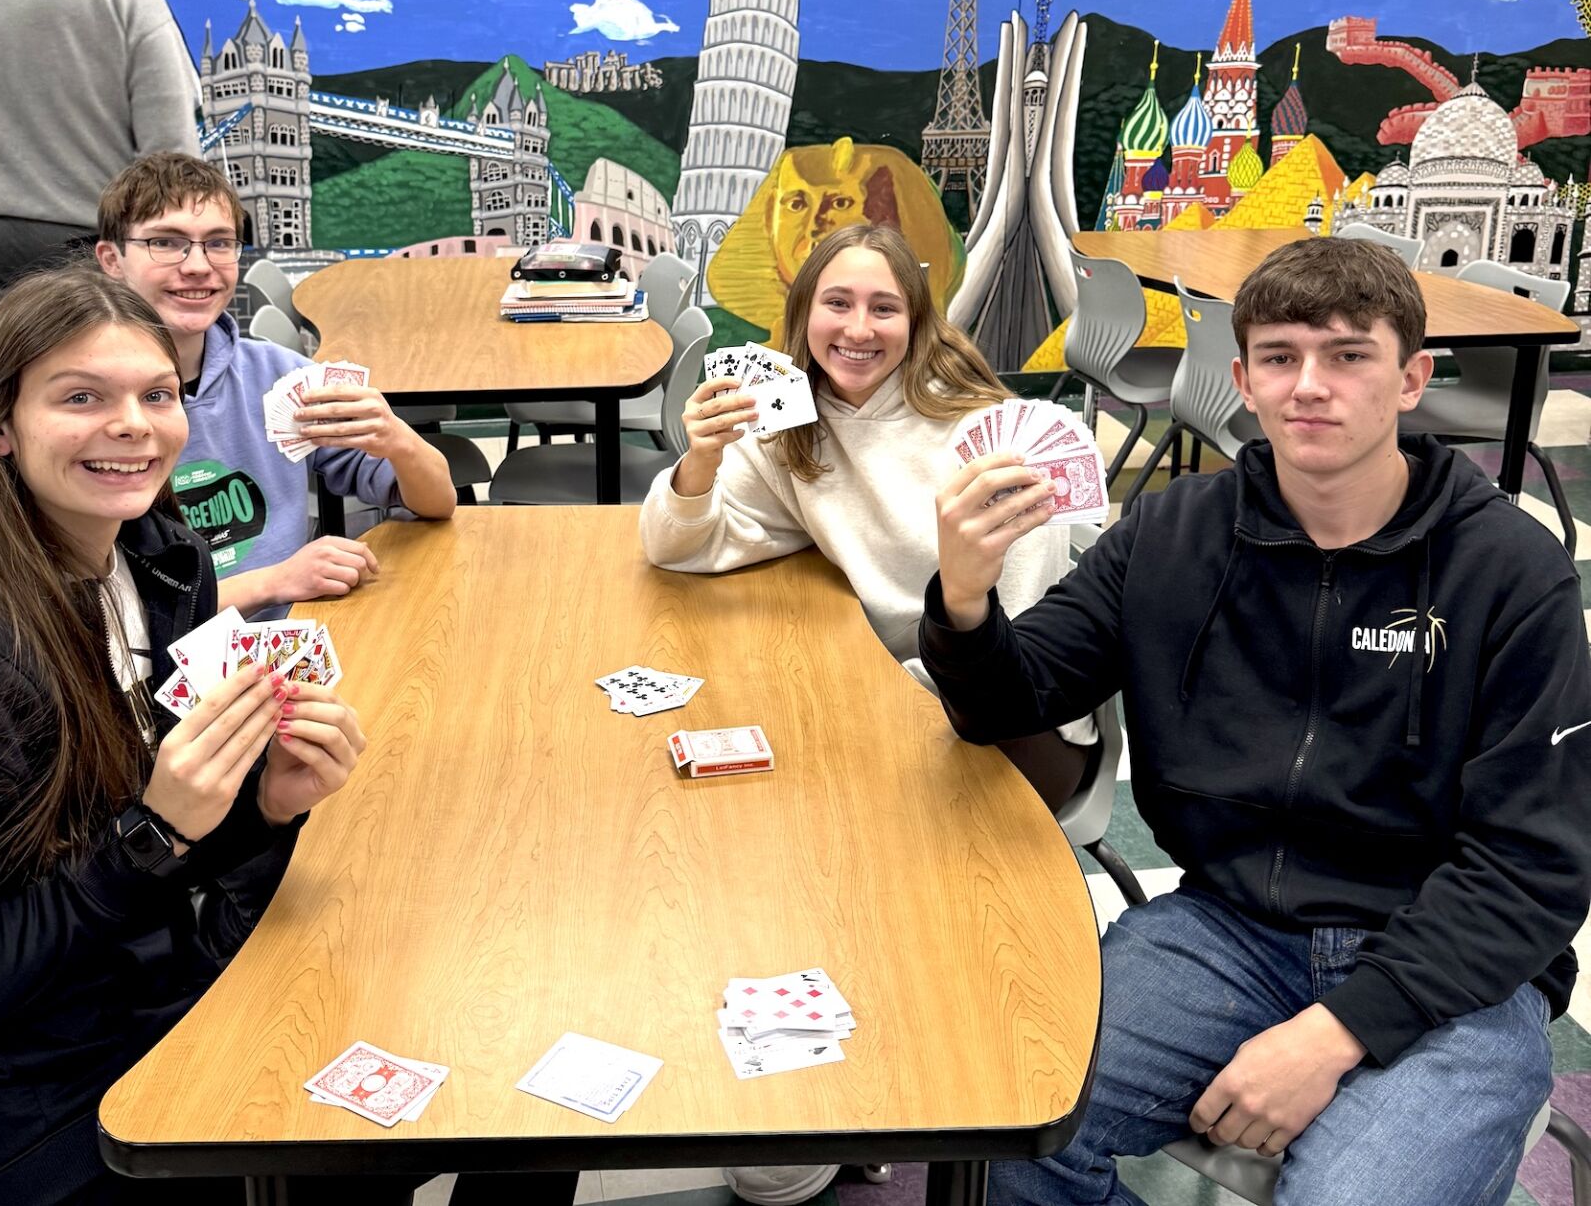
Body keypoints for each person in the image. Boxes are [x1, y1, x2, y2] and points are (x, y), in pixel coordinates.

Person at [921, 236, 1591, 1204]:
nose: (1308, 386)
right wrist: (966, 599)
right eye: (1279, 358)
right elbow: (1011, 703)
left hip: (1452, 975)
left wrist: (1332, 1035)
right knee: (995, 1117)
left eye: (1346, 355)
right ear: (1241, 379)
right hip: (1226, 928)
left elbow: (1532, 867)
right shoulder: (1167, 534)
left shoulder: (1506, 570)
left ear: (1410, 379)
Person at [0, 267, 369, 1204]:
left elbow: (152, 850)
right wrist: (159, 833)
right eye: (80, 398)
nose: (135, 425)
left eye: (157, 394)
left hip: (139, 973)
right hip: (37, 1108)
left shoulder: (156, 555)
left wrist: (262, 810)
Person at [641, 222, 1096, 808]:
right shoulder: (790, 417)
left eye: (885, 308)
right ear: (804, 312)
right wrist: (701, 462)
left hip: (1007, 720)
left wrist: (865, 706)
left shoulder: (990, 439)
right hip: (884, 688)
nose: (858, 329)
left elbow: (1020, 656)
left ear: (917, 324)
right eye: (837, 303)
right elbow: (676, 548)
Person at [94, 152, 455, 620]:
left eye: (219, 243)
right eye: (167, 242)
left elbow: (437, 503)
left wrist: (400, 442)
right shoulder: (89, 411)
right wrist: (275, 581)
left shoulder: (281, 377)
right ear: (112, 259)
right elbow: (114, 620)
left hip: (291, 644)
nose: (199, 265)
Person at [0, 0, 201, 504]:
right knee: (98, 407)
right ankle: (93, 567)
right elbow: (170, 147)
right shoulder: (125, 0)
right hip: (81, 232)